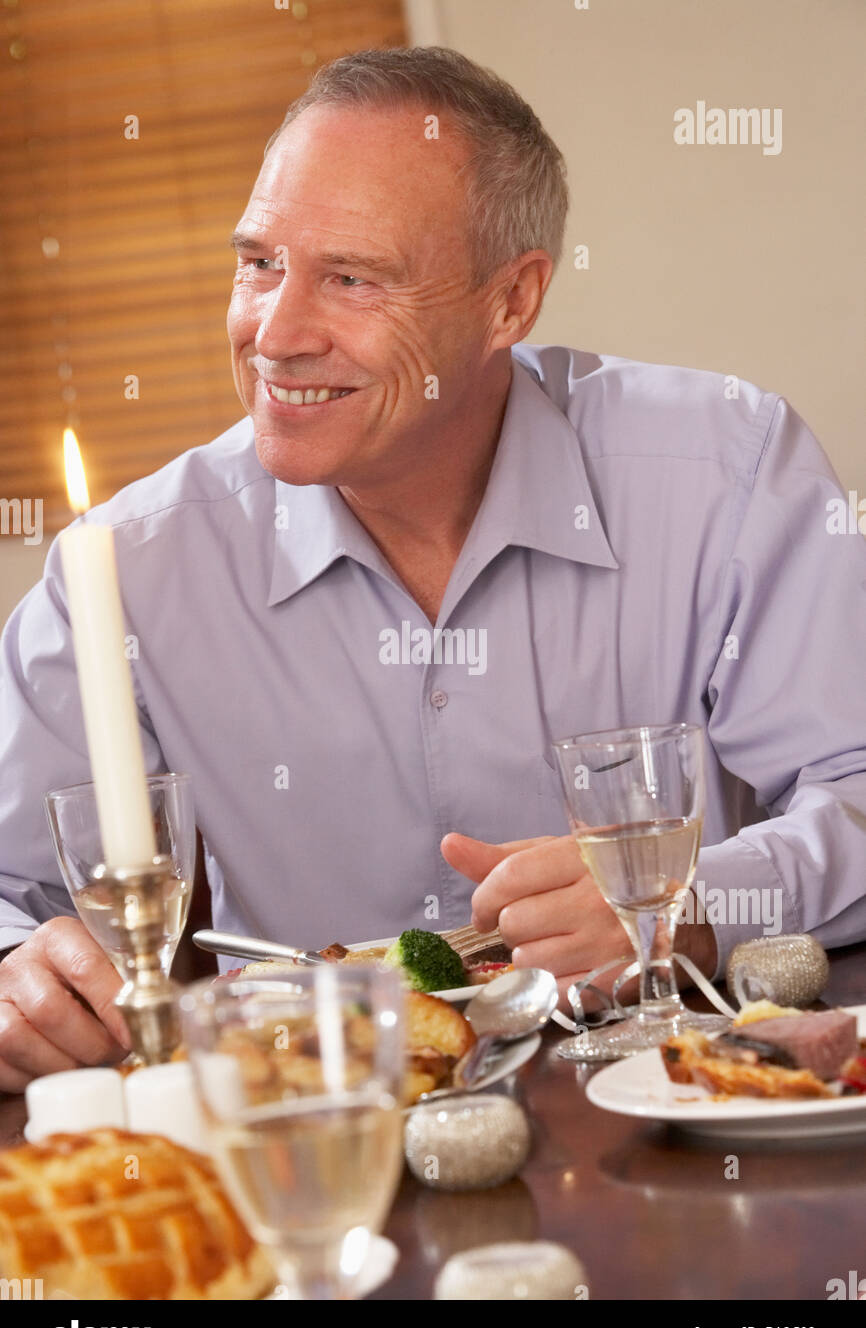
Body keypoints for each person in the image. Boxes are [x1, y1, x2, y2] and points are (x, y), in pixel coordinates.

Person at [0, 47, 864, 1093]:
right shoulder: (122, 572)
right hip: (326, 1169)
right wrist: (20, 975)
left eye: (352, 277)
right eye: (259, 262)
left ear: (510, 303)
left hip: (682, 1121)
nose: (273, 335)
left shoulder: (724, 470)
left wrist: (687, 903)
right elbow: (14, 898)